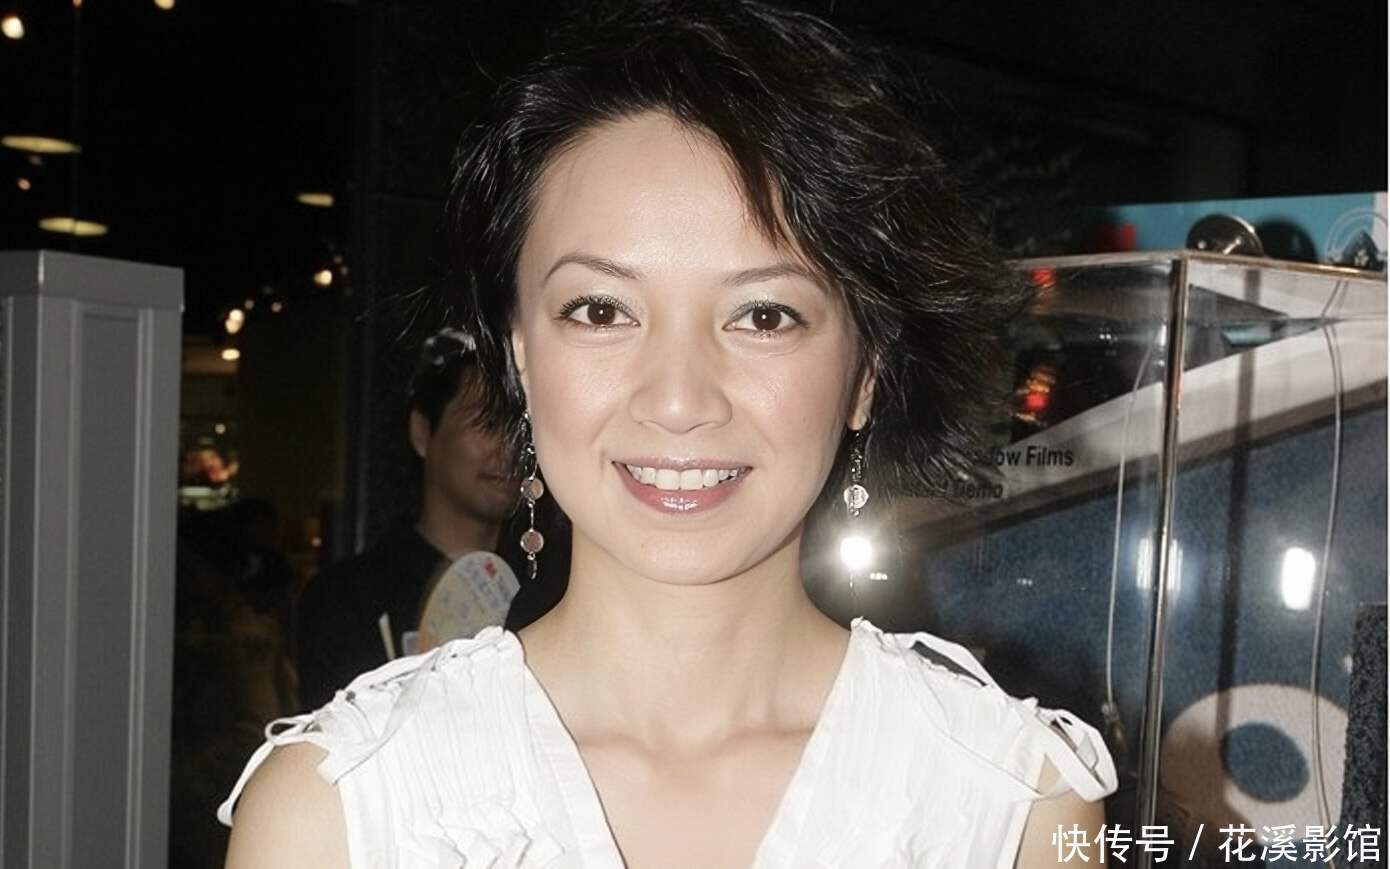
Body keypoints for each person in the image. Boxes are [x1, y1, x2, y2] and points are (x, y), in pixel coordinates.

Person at [222, 2, 1119, 866]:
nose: (681, 399)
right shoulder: (339, 808)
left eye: (763, 315)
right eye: (601, 310)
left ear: (866, 373)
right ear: (520, 354)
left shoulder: (1011, 798)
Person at [295, 328, 521, 708]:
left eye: (521, 424)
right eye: (486, 422)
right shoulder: (348, 599)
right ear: (422, 432)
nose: (510, 445)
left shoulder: (550, 593)